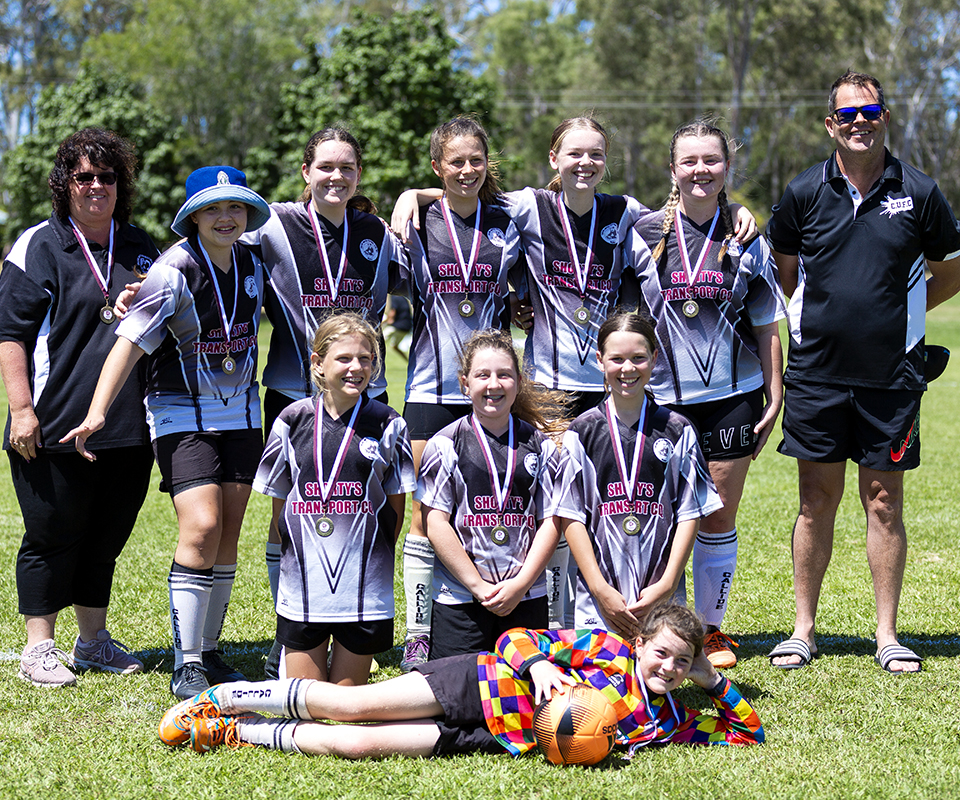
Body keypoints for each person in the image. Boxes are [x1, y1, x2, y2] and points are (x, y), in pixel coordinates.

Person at [392, 117, 756, 633]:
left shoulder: (624, 212)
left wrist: (734, 208)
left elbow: (686, 213)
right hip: (550, 390)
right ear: (554, 159)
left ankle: (618, 618)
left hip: (608, 389)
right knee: (555, 511)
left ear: (605, 161)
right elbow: (466, 189)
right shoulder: (527, 207)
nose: (585, 163)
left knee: (598, 509)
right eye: (574, 153)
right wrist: (414, 194)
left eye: (595, 154)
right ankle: (532, 627)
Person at [767, 70, 960, 673]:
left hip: (892, 378)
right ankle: (803, 630)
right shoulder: (803, 191)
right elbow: (785, 272)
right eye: (847, 114)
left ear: (884, 118)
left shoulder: (919, 190)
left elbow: (951, 270)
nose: (859, 122)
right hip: (816, 376)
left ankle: (887, 635)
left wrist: (902, 314)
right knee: (815, 500)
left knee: (884, 502)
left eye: (870, 112)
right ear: (831, 124)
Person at [62, 165, 272, 697]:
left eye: (235, 207)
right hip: (182, 415)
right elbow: (128, 343)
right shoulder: (172, 269)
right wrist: (96, 412)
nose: (225, 217)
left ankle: (211, 652)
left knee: (228, 533)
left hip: (243, 414)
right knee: (201, 526)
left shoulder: (253, 260)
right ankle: (187, 662)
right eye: (211, 208)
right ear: (192, 217)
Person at [158, 602, 763, 757]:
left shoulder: (669, 720)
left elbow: (746, 734)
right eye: (662, 654)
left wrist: (712, 682)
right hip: (481, 683)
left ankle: (236, 731)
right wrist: (539, 665)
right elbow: (515, 639)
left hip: (502, 738)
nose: (669, 668)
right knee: (353, 706)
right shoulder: (605, 650)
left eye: (681, 663)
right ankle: (224, 696)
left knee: (359, 744)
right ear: (640, 644)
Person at [240, 128, 406, 676]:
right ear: (305, 172)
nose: (336, 176)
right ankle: (287, 628)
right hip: (294, 397)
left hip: (365, 399)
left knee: (363, 509)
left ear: (359, 175)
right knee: (291, 514)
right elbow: (214, 241)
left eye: (347, 167)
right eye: (326, 167)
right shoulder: (272, 224)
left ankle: (354, 615)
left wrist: (417, 194)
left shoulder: (375, 233)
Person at [0, 127, 157, 687]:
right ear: (64, 183)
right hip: (53, 421)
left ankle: (92, 642)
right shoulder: (38, 245)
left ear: (121, 184)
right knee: (51, 533)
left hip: (128, 424)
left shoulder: (141, 247)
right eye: (83, 176)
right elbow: (10, 335)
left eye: (106, 176)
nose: (96, 186)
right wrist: (22, 410)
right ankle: (38, 648)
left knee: (105, 539)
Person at [630, 121, 785, 668]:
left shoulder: (746, 235)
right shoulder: (641, 232)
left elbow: (766, 320)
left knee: (717, 516)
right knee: (659, 518)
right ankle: (658, 629)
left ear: (727, 167)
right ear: (672, 169)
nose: (701, 170)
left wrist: (775, 391)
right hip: (662, 399)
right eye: (689, 161)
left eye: (711, 160)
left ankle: (711, 631)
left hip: (732, 396)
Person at [396, 118, 528, 672]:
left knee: (500, 500)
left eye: (476, 160)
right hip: (430, 385)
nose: (468, 170)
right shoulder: (416, 222)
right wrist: (412, 195)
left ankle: (515, 609)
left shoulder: (509, 222)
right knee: (426, 513)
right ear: (438, 167)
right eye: (456, 161)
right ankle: (418, 632)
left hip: (492, 385)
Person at [252, 313, 415, 684]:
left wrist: (372, 559)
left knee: (344, 705)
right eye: (344, 358)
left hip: (364, 589)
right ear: (318, 363)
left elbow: (395, 509)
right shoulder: (291, 420)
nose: (356, 367)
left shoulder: (390, 424)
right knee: (307, 702)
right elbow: (281, 510)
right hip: (304, 586)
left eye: (365, 359)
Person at [558, 311, 722, 639]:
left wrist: (668, 582)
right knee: (604, 671)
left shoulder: (677, 429)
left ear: (654, 358)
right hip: (598, 600)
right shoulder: (581, 431)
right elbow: (570, 516)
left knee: (659, 668)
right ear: (599, 360)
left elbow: (690, 513)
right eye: (617, 359)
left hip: (661, 596)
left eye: (638, 358)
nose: (628, 368)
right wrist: (599, 588)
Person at [418, 329, 566, 659]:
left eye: (504, 375)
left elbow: (551, 522)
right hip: (460, 596)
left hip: (525, 595)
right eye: (482, 375)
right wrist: (477, 586)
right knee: (460, 691)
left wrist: (521, 584)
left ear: (519, 382)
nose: (494, 384)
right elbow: (436, 523)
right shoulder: (444, 444)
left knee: (523, 689)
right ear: (464, 383)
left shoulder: (541, 446)